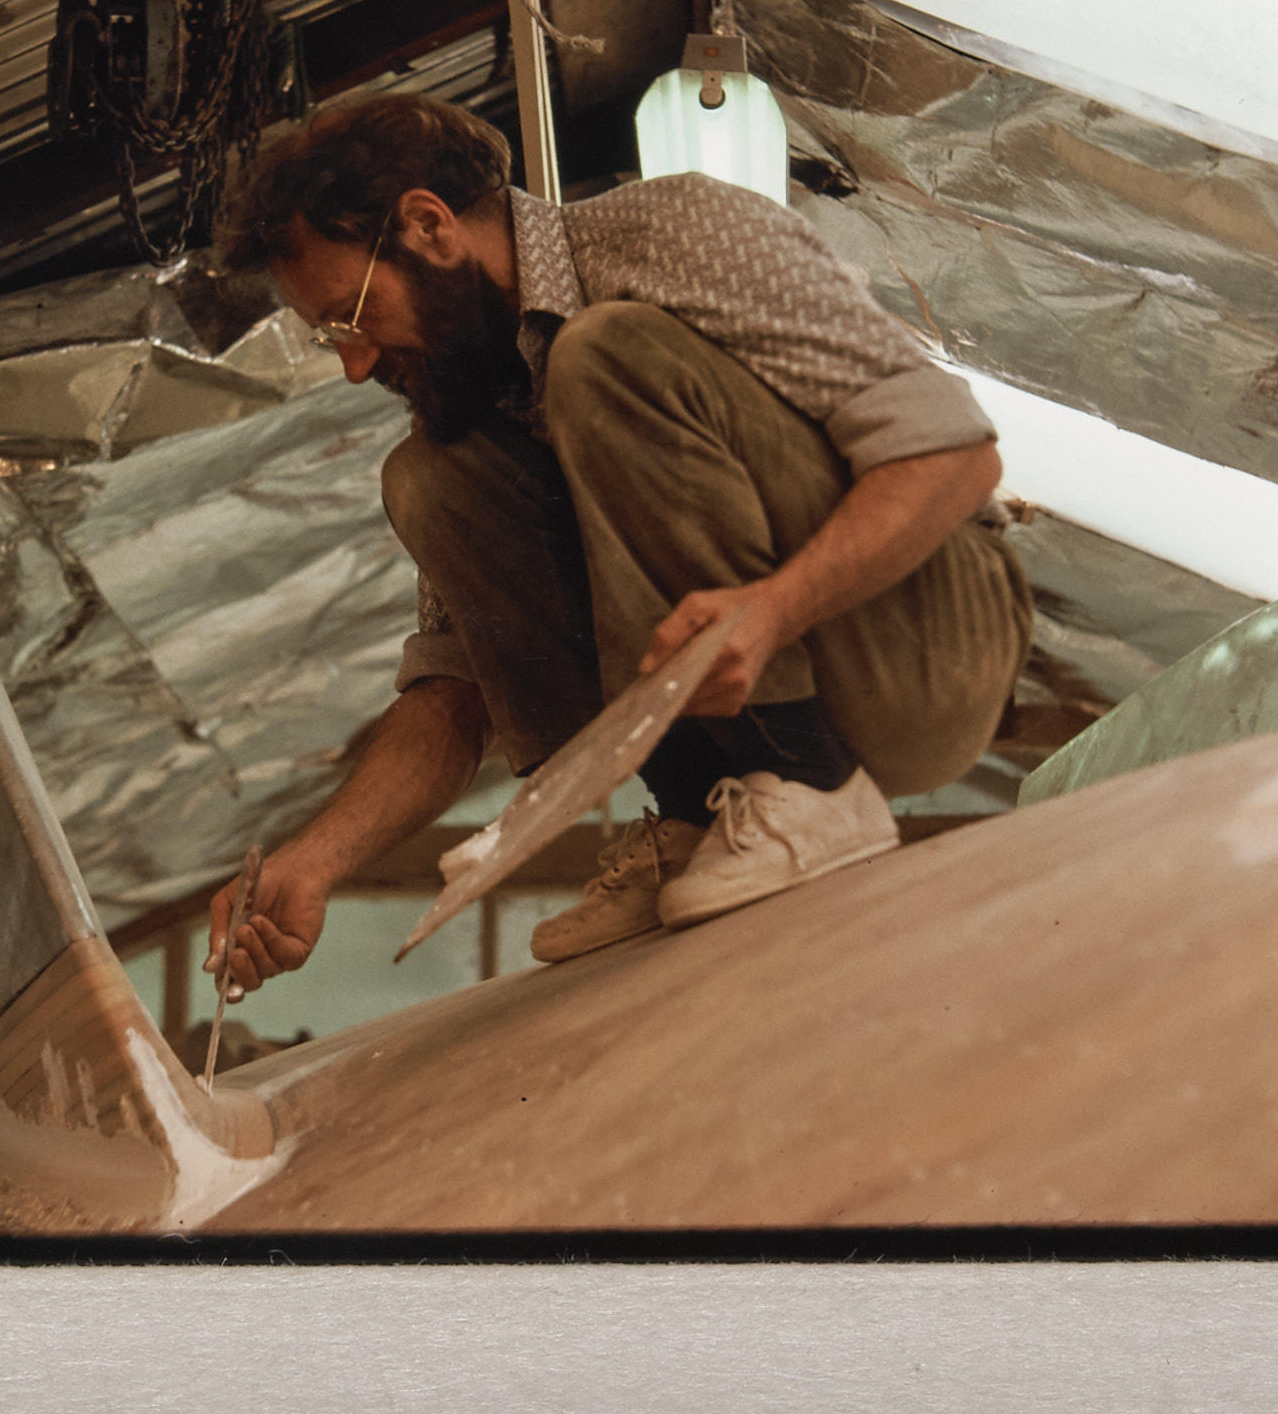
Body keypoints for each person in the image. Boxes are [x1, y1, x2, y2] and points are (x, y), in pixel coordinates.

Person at [204, 92, 1036, 999]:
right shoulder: (477, 395)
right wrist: (314, 863)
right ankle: (692, 814)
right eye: (330, 339)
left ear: (429, 225)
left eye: (348, 316)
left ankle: (810, 784)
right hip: (778, 688)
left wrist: (775, 608)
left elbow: (957, 458)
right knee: (425, 475)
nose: (355, 363)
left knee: (599, 354)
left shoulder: (669, 231)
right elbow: (458, 683)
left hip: (930, 647)